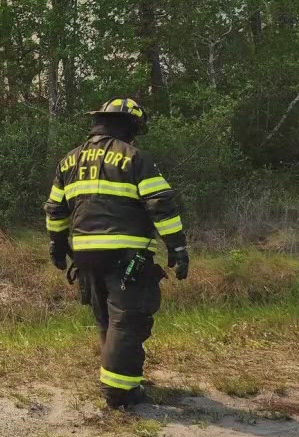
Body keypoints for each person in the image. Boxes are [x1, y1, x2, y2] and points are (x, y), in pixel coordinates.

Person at [43, 97, 189, 408]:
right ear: (130, 126)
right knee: (128, 321)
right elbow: (160, 204)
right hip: (127, 256)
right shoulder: (135, 157)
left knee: (107, 320)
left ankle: (119, 377)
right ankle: (120, 393)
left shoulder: (69, 160)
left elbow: (56, 208)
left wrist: (56, 243)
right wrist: (177, 245)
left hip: (84, 255)